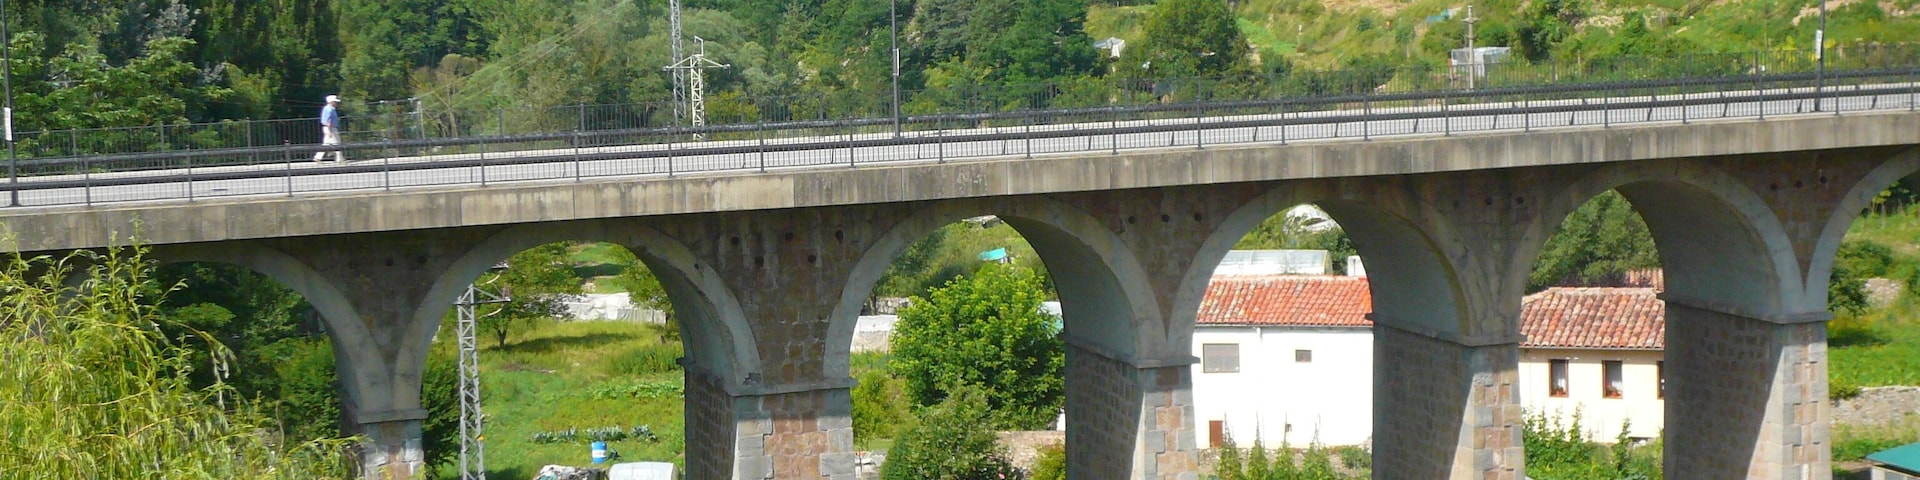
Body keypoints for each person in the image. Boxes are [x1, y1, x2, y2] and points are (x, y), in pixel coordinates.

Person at [314, 94, 345, 162]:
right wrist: (329, 130)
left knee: (326, 144)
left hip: (328, 128)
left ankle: (318, 157)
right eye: (335, 102)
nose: (336, 103)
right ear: (332, 102)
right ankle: (340, 159)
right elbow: (328, 120)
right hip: (331, 128)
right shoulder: (329, 109)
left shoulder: (327, 108)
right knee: (337, 143)